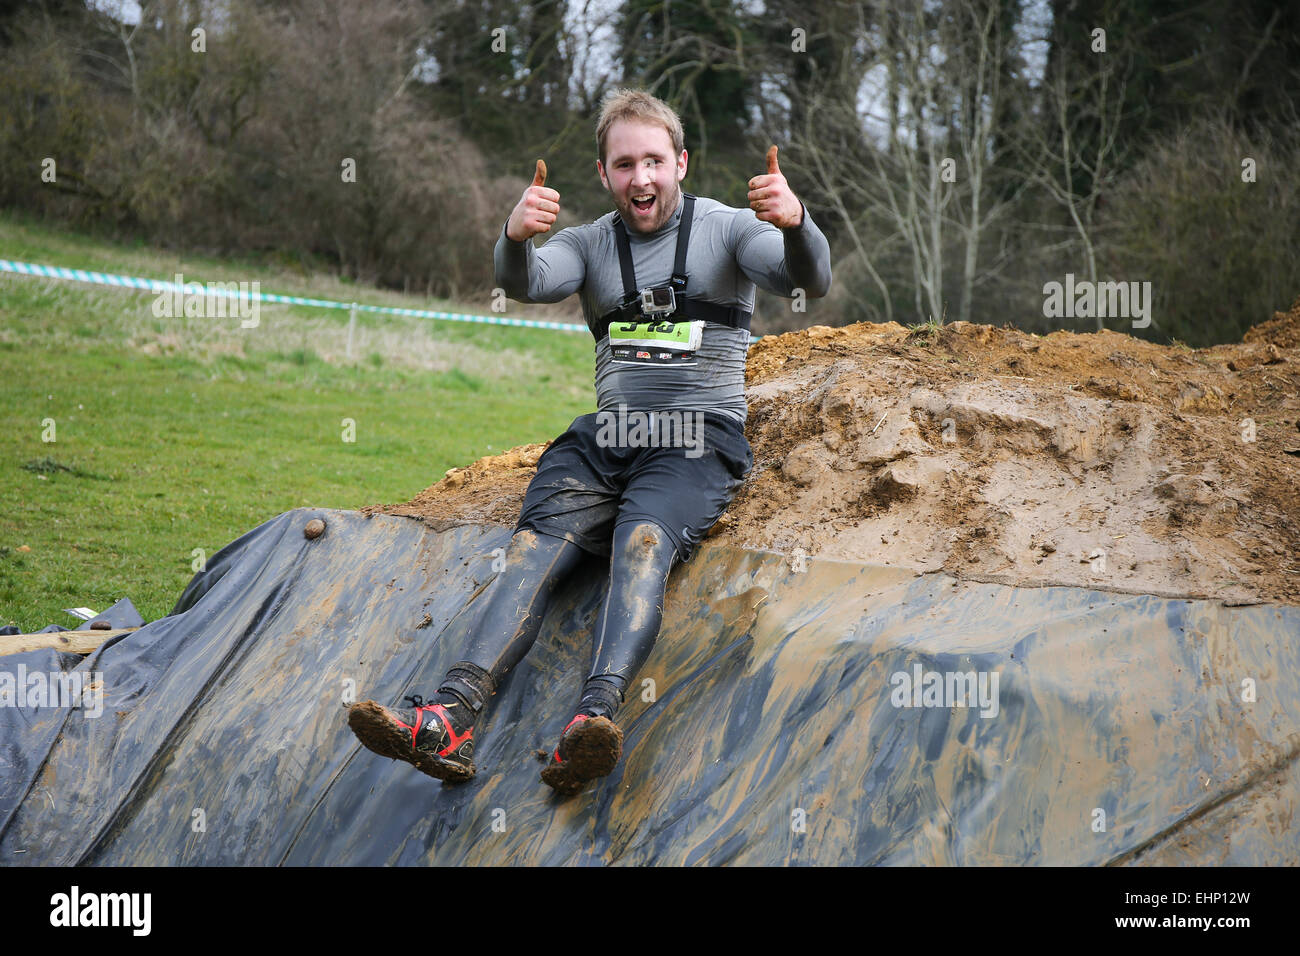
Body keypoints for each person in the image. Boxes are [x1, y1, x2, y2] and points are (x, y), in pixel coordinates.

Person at [348, 88, 832, 796]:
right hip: (608, 440)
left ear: (682, 163)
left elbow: (807, 277)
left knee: (640, 542)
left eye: (655, 162)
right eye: (625, 164)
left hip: (699, 438)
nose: (642, 179)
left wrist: (797, 224)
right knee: (531, 548)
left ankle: (590, 724)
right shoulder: (588, 242)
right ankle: (448, 719)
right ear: (604, 173)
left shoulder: (729, 231)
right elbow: (527, 282)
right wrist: (513, 238)